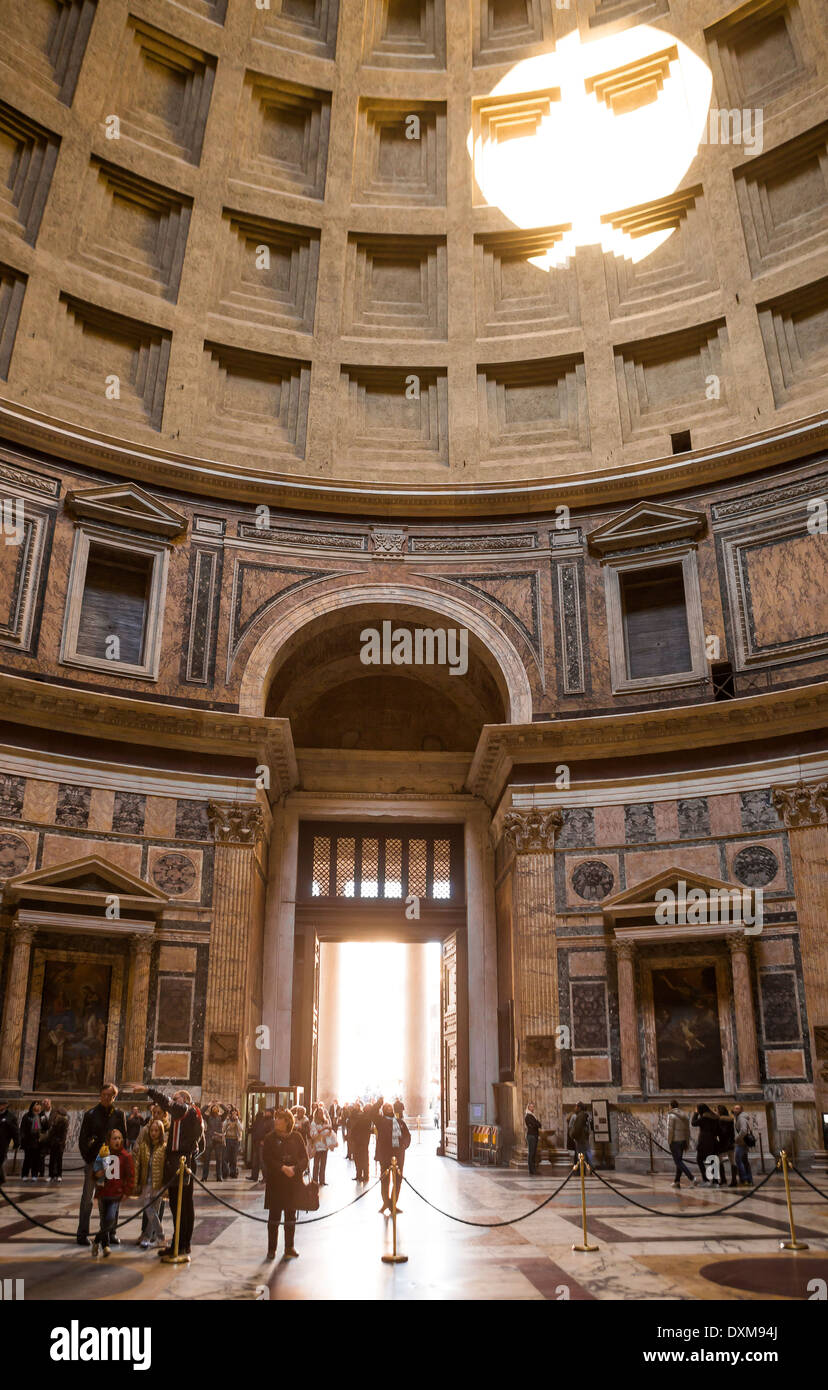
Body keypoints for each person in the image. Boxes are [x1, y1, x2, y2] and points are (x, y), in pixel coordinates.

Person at [146, 1087, 204, 1258]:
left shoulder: (186, 1111)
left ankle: (179, 1245)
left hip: (180, 1163)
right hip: (182, 1161)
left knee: (180, 1206)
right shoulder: (188, 1116)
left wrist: (149, 1090)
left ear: (184, 1101)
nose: (172, 1101)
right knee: (183, 1205)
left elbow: (167, 1103)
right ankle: (183, 1244)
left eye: (175, 1098)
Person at [76, 1084, 127, 1245]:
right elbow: (83, 1139)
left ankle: (110, 1232)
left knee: (112, 1198)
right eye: (104, 1094)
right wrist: (89, 1158)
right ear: (100, 1095)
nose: (106, 1098)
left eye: (110, 1095)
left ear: (114, 1097)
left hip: (112, 1161)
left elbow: (123, 1138)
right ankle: (82, 1233)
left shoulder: (119, 1114)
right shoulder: (90, 1114)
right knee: (87, 1198)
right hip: (94, 1161)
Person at [262, 1107, 308, 1261]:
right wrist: (282, 1168)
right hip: (276, 1182)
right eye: (276, 1118)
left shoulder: (297, 1137)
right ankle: (271, 1249)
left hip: (292, 1184)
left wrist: (295, 1169)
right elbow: (267, 1158)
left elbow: (304, 1158)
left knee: (290, 1216)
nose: (276, 1120)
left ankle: (289, 1247)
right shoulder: (270, 1138)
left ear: (287, 1121)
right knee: (274, 1217)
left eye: (279, 1118)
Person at [91, 1129, 135, 1258]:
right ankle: (105, 1246)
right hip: (102, 1192)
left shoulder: (126, 1156)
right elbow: (95, 1172)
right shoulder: (103, 1155)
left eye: (119, 1138)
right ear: (109, 1141)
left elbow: (130, 1176)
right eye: (114, 1138)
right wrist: (97, 1174)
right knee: (103, 1221)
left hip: (116, 1194)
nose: (117, 1141)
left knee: (110, 1219)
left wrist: (127, 1192)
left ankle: (97, 1240)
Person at [135, 1118, 167, 1248]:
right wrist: (136, 1183)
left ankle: (149, 1237)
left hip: (158, 1184)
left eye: (156, 1131)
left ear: (161, 1132)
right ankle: (161, 1236)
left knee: (154, 1211)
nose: (154, 1133)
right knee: (149, 1210)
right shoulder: (144, 1147)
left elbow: (166, 1167)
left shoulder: (164, 1148)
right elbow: (138, 1165)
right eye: (152, 1130)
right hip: (146, 1184)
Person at [374, 1101, 411, 1213]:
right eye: (386, 1107)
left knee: (398, 1181)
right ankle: (386, 1203)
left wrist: (404, 1145)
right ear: (383, 1110)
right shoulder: (380, 1121)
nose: (389, 1108)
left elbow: (407, 1135)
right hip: (385, 1155)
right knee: (385, 1181)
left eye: (390, 1106)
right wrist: (379, 1102)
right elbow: (372, 1113)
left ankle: (392, 1204)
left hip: (398, 1155)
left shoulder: (400, 1122)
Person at [666, 1100, 698, 1188]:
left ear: (671, 1106)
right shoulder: (684, 1115)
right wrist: (686, 1141)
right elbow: (687, 1130)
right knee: (679, 1160)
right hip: (683, 1140)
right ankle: (677, 1181)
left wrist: (669, 1141)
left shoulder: (671, 1115)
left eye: (669, 1105)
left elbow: (670, 1129)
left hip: (675, 1141)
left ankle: (692, 1178)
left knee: (678, 1161)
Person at [691, 1102, 720, 1183]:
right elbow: (718, 1131)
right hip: (713, 1141)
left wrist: (695, 1113)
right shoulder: (715, 1118)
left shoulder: (704, 1118)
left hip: (704, 1141)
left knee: (699, 1160)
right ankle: (715, 1180)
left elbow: (693, 1123)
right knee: (713, 1160)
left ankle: (705, 1178)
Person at [20, 1101, 45, 1181]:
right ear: (32, 1106)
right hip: (28, 1141)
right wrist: (22, 1138)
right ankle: (25, 1174)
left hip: (38, 1142)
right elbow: (22, 1128)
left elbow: (46, 1127)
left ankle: (34, 1175)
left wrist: (44, 1118)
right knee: (27, 1159)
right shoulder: (27, 1116)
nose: (38, 1107)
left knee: (36, 1159)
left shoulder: (41, 1116)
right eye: (36, 1105)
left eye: (39, 1105)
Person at [309, 1104, 333, 1185]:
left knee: (323, 1164)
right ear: (316, 1113)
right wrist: (321, 1129)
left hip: (325, 1146)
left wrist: (329, 1130)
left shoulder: (326, 1121)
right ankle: (315, 1180)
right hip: (317, 1146)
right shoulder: (313, 1123)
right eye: (319, 1112)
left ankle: (322, 1180)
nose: (321, 1114)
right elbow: (313, 1135)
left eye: (322, 1112)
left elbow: (329, 1134)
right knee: (316, 1165)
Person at [248, 1107, 274, 1182]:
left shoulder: (272, 1122)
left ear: (271, 1113)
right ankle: (254, 1176)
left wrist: (264, 1140)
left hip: (263, 1144)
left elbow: (271, 1133)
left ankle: (265, 1177)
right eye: (266, 1112)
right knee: (255, 1161)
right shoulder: (262, 1121)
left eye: (267, 1112)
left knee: (262, 1161)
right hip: (257, 1142)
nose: (266, 1113)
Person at [202, 1103, 227, 1181]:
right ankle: (204, 1177)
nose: (215, 1109)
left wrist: (221, 1104)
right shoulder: (208, 1117)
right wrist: (208, 1105)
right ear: (211, 1109)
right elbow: (201, 1112)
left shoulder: (221, 1118)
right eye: (213, 1108)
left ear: (218, 1110)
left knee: (219, 1160)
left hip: (218, 1140)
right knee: (206, 1160)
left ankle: (219, 1177)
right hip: (209, 1139)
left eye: (216, 1108)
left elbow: (227, 1111)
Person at [349, 1101, 372, 1182]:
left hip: (361, 1141)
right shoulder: (363, 1116)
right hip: (360, 1141)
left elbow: (356, 1125)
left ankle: (363, 1175)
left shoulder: (365, 1117)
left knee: (362, 1159)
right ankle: (361, 1175)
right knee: (360, 1159)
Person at [716, 1104, 737, 1187]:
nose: (716, 1112)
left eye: (717, 1110)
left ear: (719, 1111)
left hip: (722, 1142)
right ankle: (734, 1180)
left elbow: (722, 1132)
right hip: (731, 1142)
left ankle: (723, 1179)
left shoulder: (720, 1120)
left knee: (720, 1160)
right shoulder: (731, 1120)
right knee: (732, 1161)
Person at [567, 1102, 594, 1168]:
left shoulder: (580, 1116)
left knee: (580, 1154)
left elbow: (577, 1128)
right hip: (585, 1137)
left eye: (576, 1107)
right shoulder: (586, 1115)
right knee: (588, 1151)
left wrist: (572, 1135)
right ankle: (590, 1166)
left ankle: (582, 1168)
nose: (575, 1108)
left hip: (580, 1138)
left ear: (579, 1108)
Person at [733, 1105, 754, 1186]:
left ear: (741, 1110)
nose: (735, 1110)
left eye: (737, 1108)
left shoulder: (741, 1118)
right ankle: (749, 1179)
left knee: (738, 1160)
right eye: (734, 1108)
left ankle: (744, 1179)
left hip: (741, 1143)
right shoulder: (741, 1117)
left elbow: (744, 1131)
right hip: (744, 1142)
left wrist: (737, 1139)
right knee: (745, 1161)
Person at [47, 1106, 69, 1182]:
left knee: (59, 1160)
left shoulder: (64, 1121)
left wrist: (61, 1143)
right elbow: (50, 1132)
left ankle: (59, 1175)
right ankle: (51, 1175)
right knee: (52, 1160)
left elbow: (64, 1134)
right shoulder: (53, 1121)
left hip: (60, 1143)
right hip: (53, 1142)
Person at [0, 1101, 19, 1184]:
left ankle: (1, 1179)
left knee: (0, 1160)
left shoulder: (10, 1117)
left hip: (3, 1143)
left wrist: (16, 1142)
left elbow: (15, 1131)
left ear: (5, 1106)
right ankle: (1, 1179)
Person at [223, 1108, 243, 1179]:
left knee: (234, 1159)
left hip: (235, 1140)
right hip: (228, 1139)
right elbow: (223, 1128)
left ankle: (233, 1173)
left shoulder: (239, 1120)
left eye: (235, 1113)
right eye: (233, 1113)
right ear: (230, 1114)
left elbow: (241, 1129)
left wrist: (237, 1120)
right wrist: (227, 1121)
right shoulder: (227, 1120)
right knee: (225, 1158)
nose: (234, 1114)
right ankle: (226, 1172)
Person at [525, 1102, 542, 1176]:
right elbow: (535, 1125)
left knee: (534, 1153)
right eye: (531, 1107)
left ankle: (533, 1169)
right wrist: (536, 1124)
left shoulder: (533, 1116)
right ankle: (531, 1169)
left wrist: (536, 1124)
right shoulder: (528, 1116)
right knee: (531, 1153)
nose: (532, 1108)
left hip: (534, 1135)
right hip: (531, 1136)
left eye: (533, 1107)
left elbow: (539, 1125)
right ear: (528, 1108)